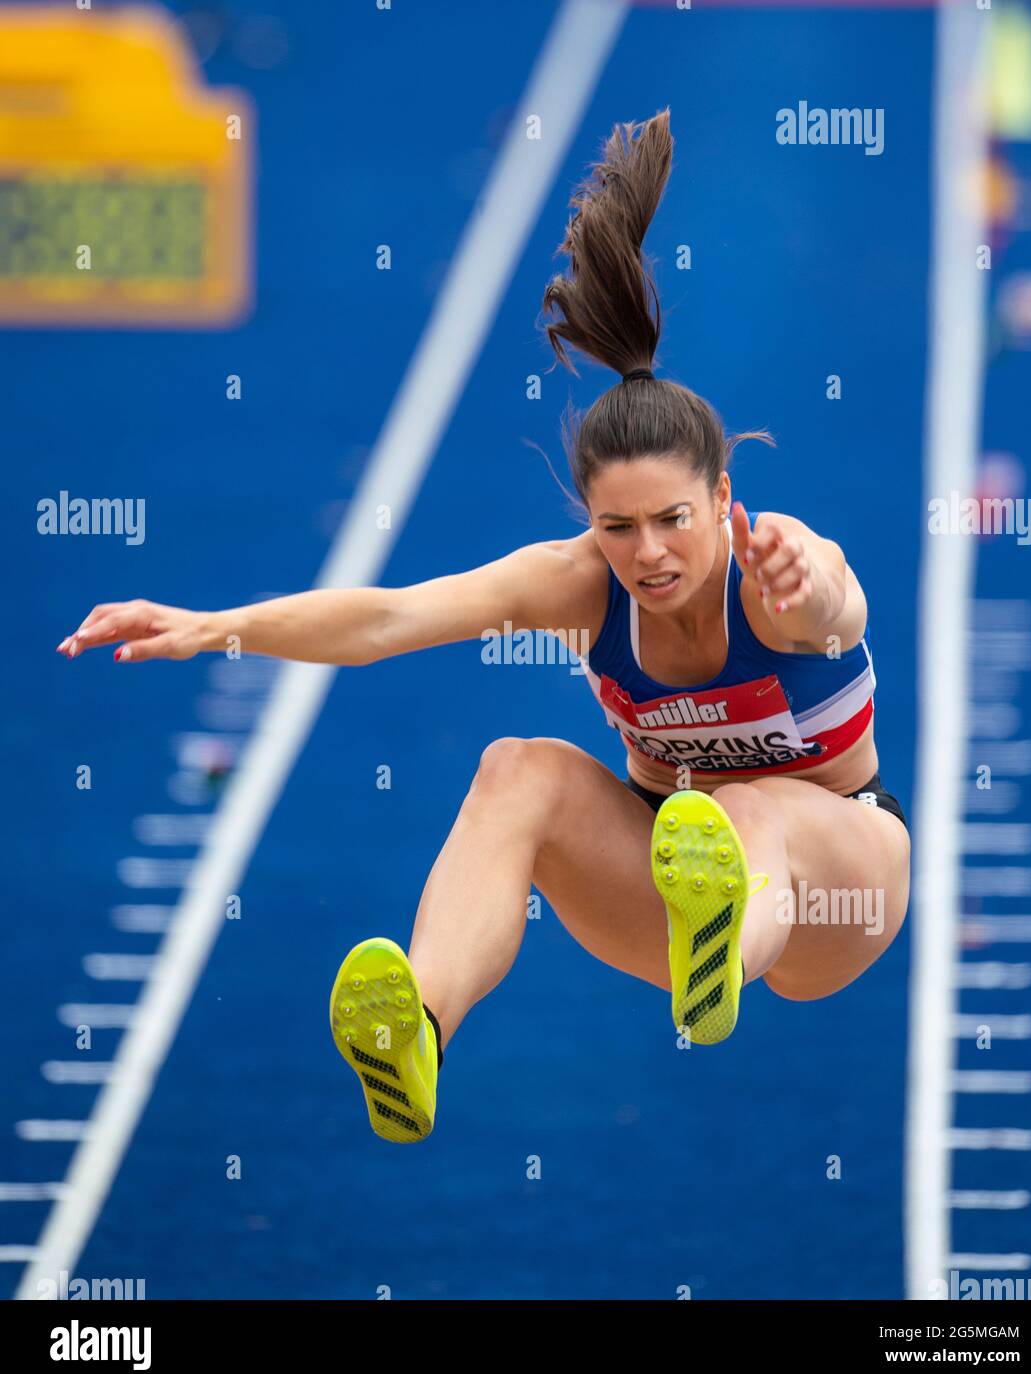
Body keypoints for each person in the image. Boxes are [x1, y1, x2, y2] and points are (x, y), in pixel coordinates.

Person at [57, 109, 910, 1145]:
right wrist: (209, 626)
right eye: (617, 526)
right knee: (518, 768)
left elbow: (836, 605)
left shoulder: (778, 572)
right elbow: (385, 617)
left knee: (750, 806)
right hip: (667, 884)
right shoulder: (577, 583)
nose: (646, 552)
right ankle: (418, 1027)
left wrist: (807, 585)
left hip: (834, 893)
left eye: (673, 519)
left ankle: (722, 959)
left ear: (721, 494)